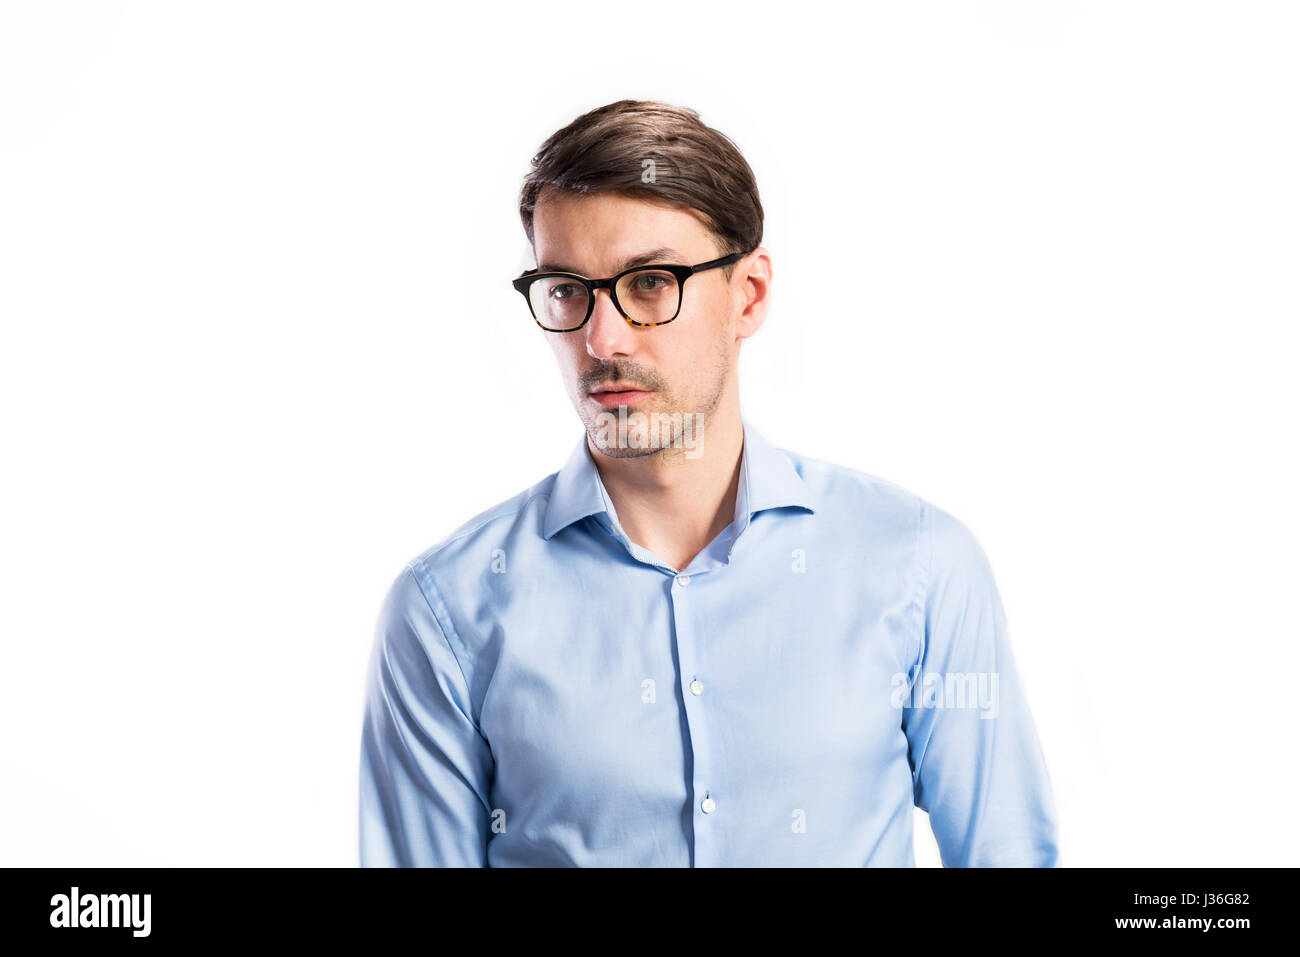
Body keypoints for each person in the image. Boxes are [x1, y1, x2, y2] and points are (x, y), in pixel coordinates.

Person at [358, 99, 1060, 867]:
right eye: (566, 289)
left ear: (749, 295)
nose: (602, 338)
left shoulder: (919, 566)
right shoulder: (445, 609)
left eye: (651, 282)